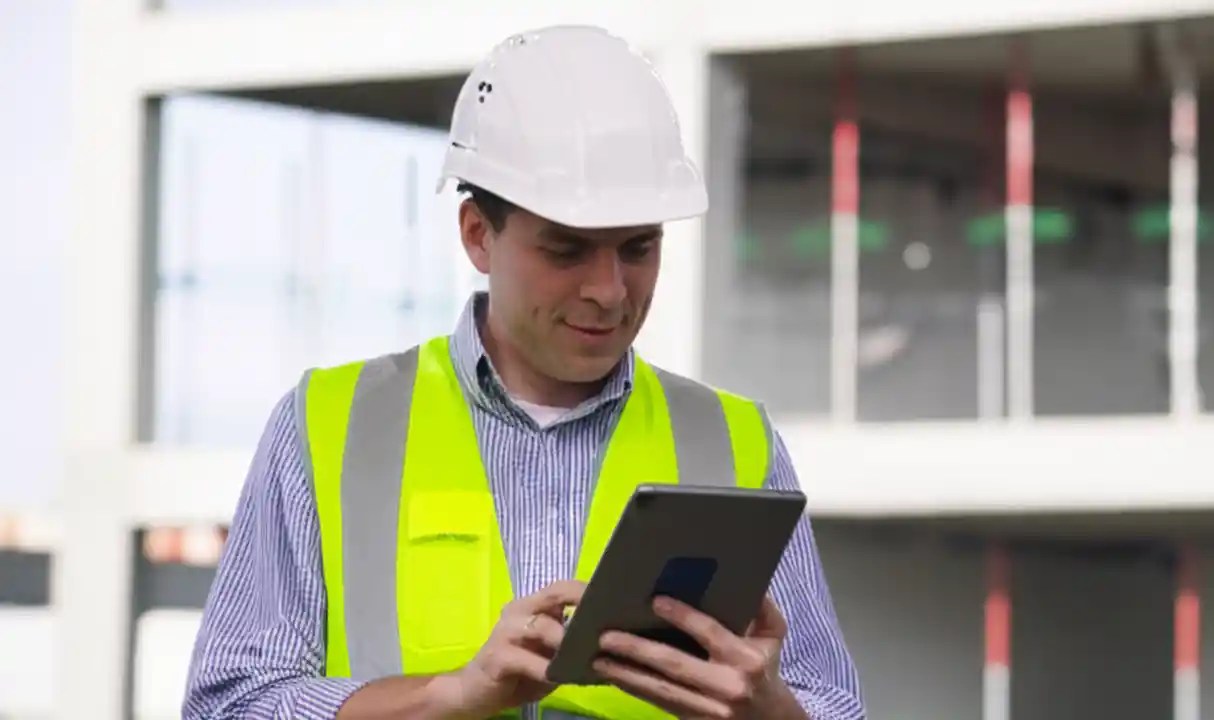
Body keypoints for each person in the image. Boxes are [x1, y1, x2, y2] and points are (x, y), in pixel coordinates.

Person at [182, 24, 865, 720]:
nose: (610, 289)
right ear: (478, 233)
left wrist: (773, 711)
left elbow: (834, 705)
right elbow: (229, 704)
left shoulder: (736, 441)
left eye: (638, 247)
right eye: (567, 250)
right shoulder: (330, 425)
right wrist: (448, 697)